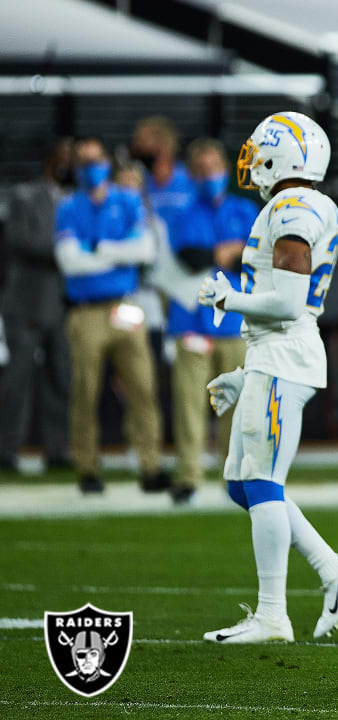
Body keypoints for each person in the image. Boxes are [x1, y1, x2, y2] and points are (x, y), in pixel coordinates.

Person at [198, 112, 338, 643]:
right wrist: (245, 373)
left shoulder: (295, 207)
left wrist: (231, 299)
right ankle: (332, 570)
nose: (250, 160)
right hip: (270, 357)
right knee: (241, 485)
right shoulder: (298, 204)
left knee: (264, 484)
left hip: (283, 354)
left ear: (283, 155)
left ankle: (273, 614)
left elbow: (289, 303)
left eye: (258, 149)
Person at [54, 137, 167, 495]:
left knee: (143, 387)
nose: (91, 166)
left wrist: (98, 249)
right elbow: (68, 261)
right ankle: (88, 468)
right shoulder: (69, 206)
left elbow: (145, 249)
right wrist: (119, 253)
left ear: (106, 161)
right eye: (83, 161)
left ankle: (151, 466)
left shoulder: (127, 199)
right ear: (76, 167)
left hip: (125, 304)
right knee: (85, 392)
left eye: (95, 159)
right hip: (86, 310)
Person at [165, 139, 258, 503]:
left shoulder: (246, 209)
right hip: (192, 319)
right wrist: (227, 251)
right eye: (201, 170)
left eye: (214, 167)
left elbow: (256, 257)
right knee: (189, 405)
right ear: (192, 174)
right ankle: (188, 474)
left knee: (236, 409)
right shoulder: (182, 213)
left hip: (235, 322)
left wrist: (220, 255)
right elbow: (189, 256)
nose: (209, 176)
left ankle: (231, 476)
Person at [0, 139, 74, 473]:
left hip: (65, 304)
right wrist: (71, 254)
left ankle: (57, 450)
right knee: (17, 380)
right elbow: (19, 241)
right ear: (49, 161)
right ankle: (6, 449)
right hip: (26, 302)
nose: (69, 165)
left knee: (62, 379)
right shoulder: (24, 195)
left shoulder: (77, 201)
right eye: (64, 158)